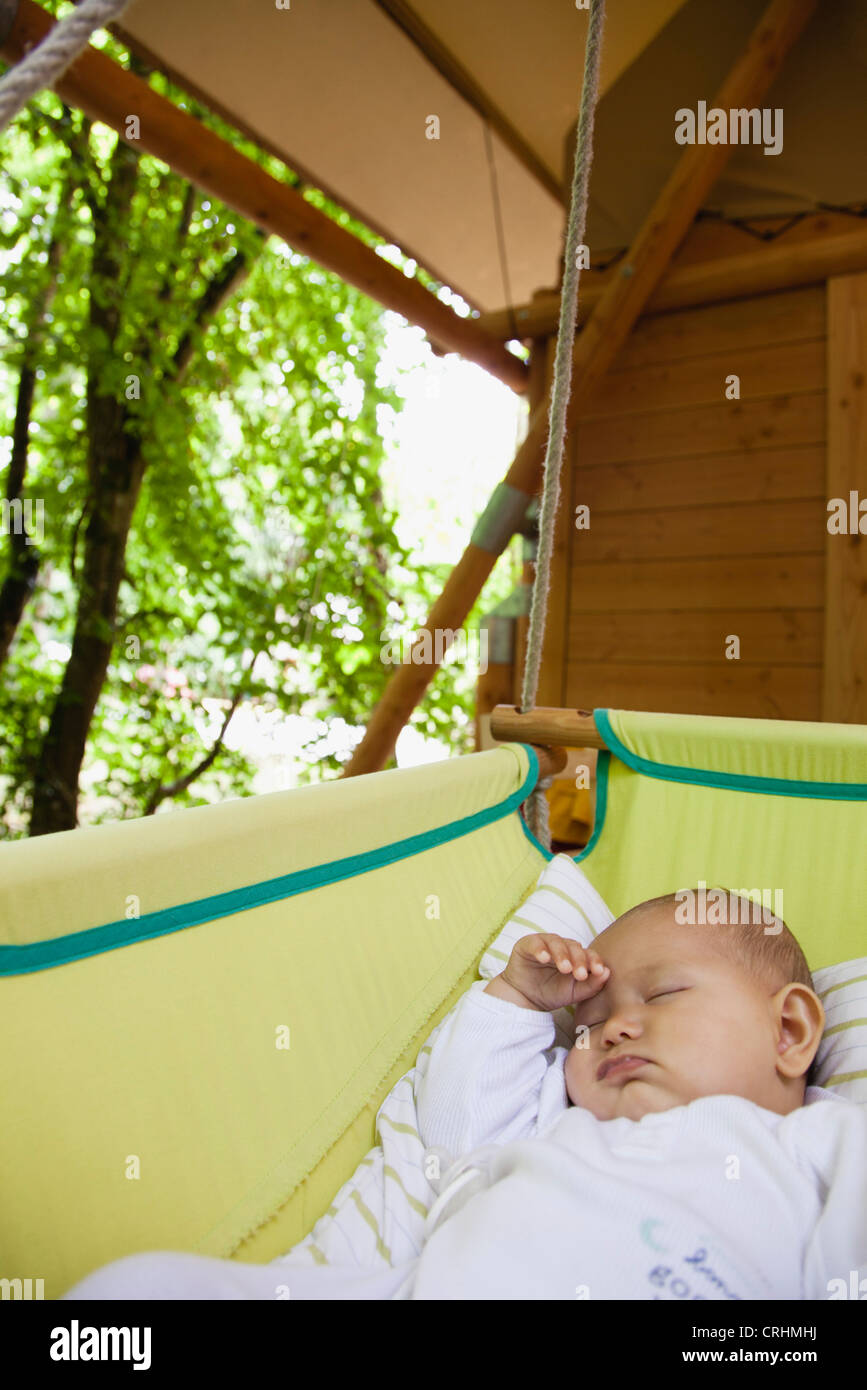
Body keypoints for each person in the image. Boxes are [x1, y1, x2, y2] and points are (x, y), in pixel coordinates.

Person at [63, 891, 867, 1301]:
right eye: (584, 1022)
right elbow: (450, 1128)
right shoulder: (557, 1124)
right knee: (133, 1294)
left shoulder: (822, 1147)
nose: (612, 1031)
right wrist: (517, 998)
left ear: (790, 1033)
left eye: (658, 1000)